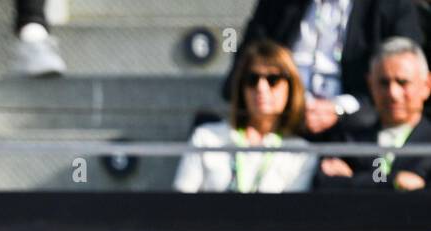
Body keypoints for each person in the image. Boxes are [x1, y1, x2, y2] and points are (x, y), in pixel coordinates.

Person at [224, 0, 423, 137]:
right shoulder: (278, 5)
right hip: (280, 128)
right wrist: (286, 102)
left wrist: (338, 108)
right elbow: (240, 75)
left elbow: (408, 80)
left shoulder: (391, 5)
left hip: (356, 134)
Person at [175, 39, 315, 192]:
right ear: (241, 87)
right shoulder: (206, 137)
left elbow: (291, 213)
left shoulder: (301, 153)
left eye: (273, 80)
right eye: (252, 79)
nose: (261, 88)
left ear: (291, 87)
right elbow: (180, 203)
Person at [315, 35, 431, 187]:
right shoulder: (349, 136)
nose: (393, 93)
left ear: (427, 85)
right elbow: (327, 181)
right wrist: (393, 180)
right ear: (370, 84)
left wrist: (354, 179)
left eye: (403, 82)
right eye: (384, 83)